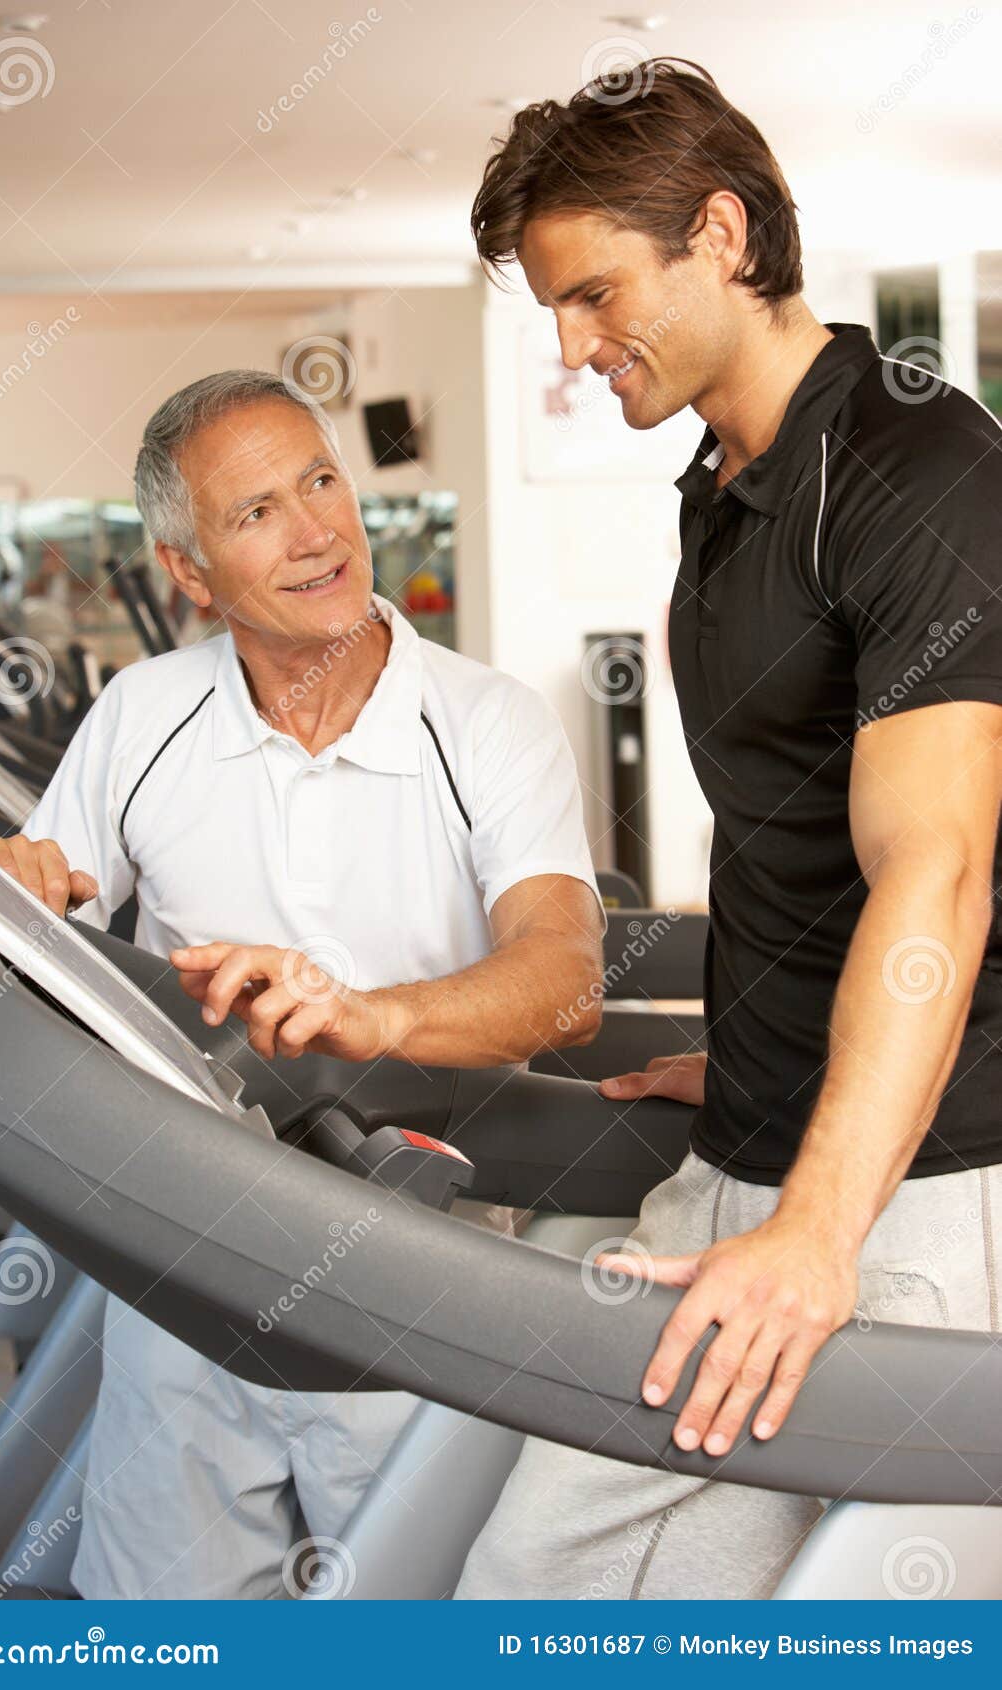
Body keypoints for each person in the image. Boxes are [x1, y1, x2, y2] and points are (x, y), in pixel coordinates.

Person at [457, 57, 1002, 1600]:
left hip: (906, 1193)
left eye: (593, 294)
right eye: (551, 308)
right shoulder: (723, 472)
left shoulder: (912, 473)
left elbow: (934, 871)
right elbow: (786, 825)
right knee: (541, 1589)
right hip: (756, 1139)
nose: (568, 347)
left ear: (717, 232)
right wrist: (766, 1037)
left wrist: (820, 1226)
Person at [0, 368, 605, 1599]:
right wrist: (21, 890)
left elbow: (564, 978)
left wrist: (373, 1016)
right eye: (257, 510)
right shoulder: (141, 714)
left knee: (400, 1634)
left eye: (320, 480)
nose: (316, 530)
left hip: (419, 1274)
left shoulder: (485, 721)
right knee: (167, 1638)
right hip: (186, 1264)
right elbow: (45, 909)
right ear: (190, 572)